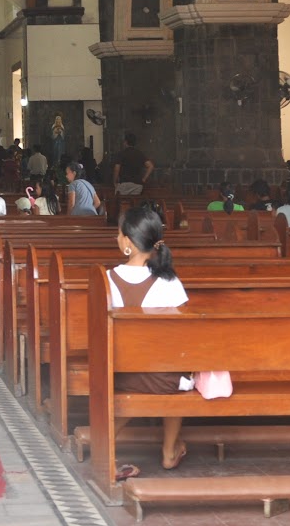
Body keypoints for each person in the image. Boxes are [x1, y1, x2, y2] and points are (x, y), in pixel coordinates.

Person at [107, 204, 191, 479]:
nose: (117, 238)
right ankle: (169, 450)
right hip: (163, 380)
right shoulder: (170, 282)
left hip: (119, 374)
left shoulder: (106, 279)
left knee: (139, 379)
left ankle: (104, 443)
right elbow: (182, 337)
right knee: (178, 374)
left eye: (119, 234)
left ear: (128, 243)